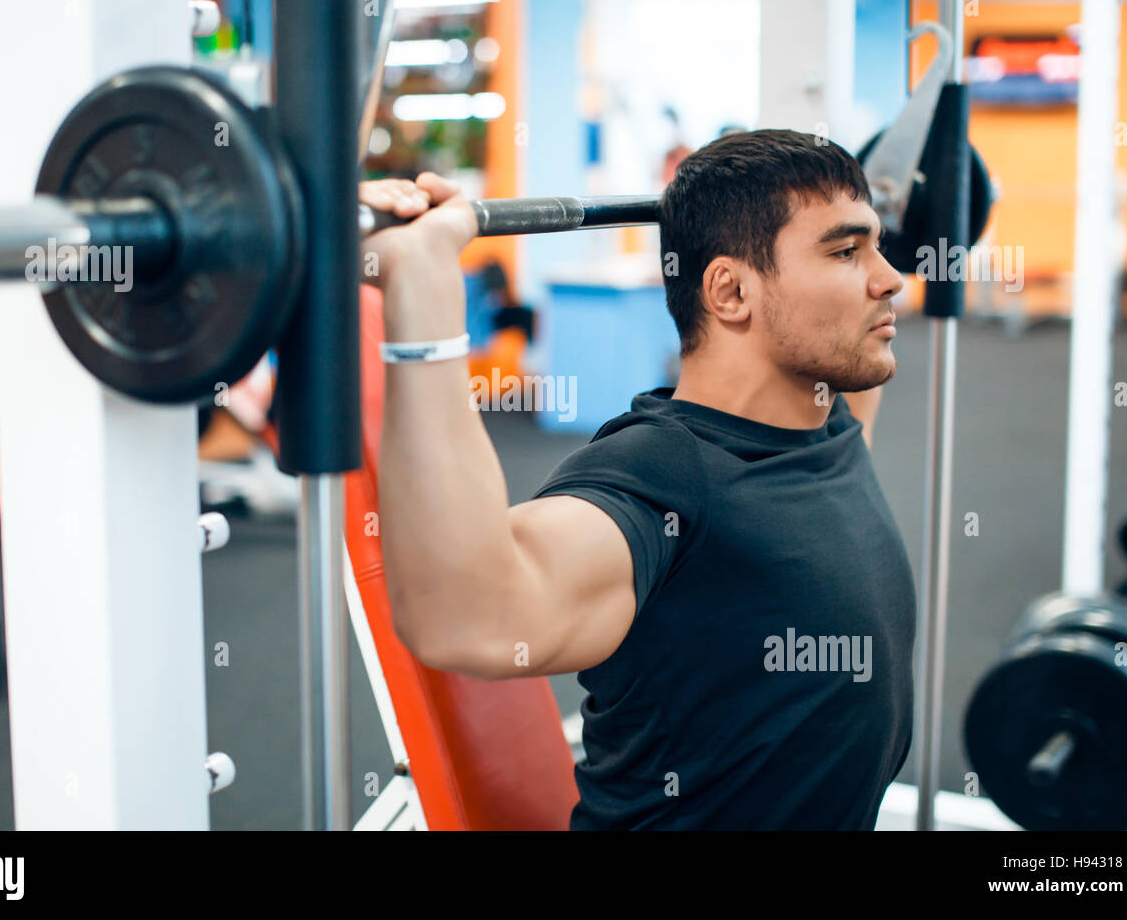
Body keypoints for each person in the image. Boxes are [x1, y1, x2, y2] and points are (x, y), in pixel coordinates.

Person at [360, 129, 915, 829]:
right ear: (730, 291)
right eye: (845, 251)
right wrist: (423, 290)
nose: (891, 277)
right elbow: (467, 619)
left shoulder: (825, 423)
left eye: (878, 245)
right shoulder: (663, 479)